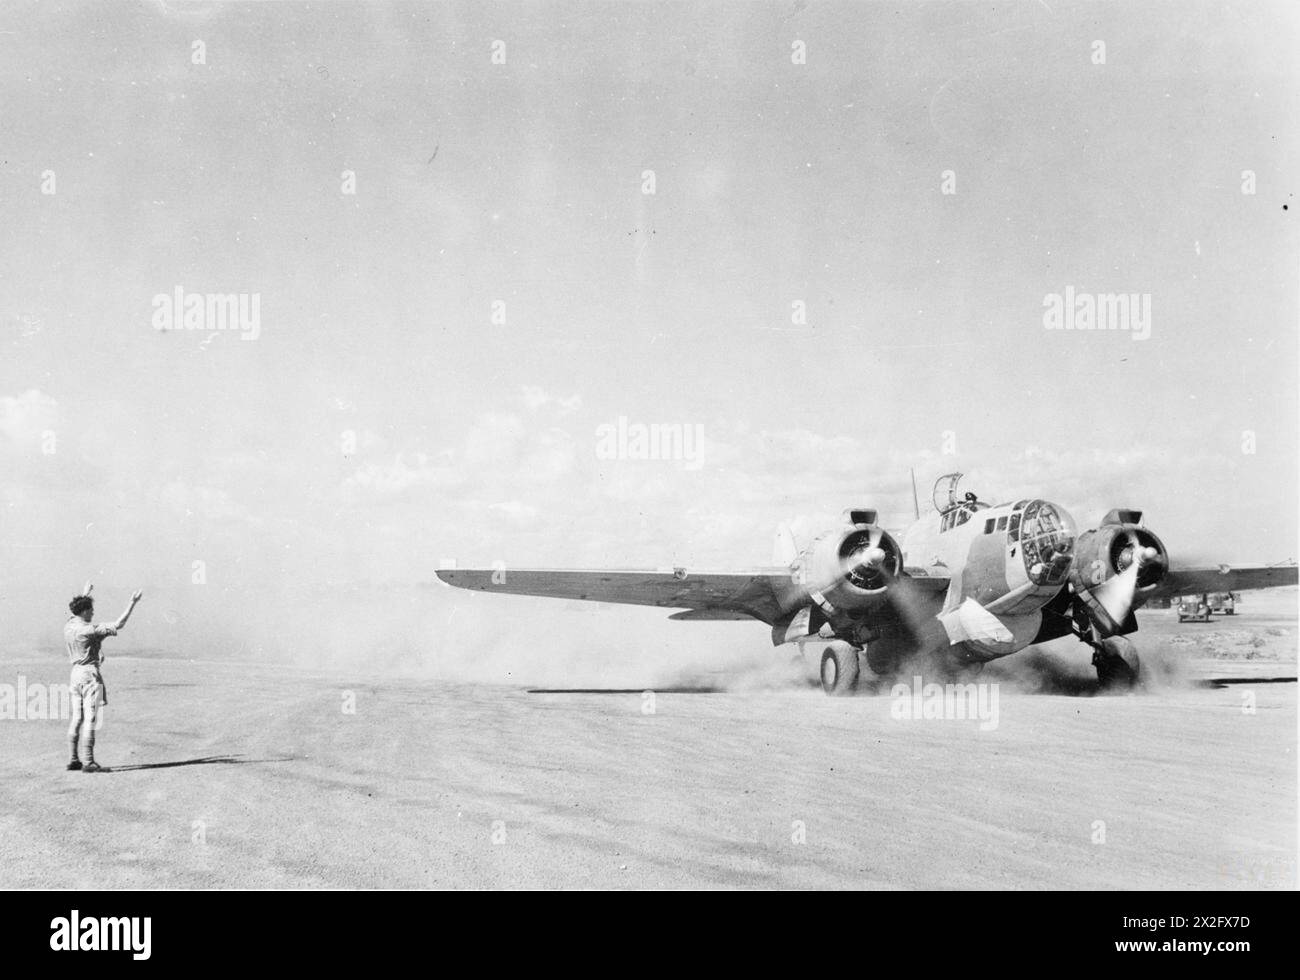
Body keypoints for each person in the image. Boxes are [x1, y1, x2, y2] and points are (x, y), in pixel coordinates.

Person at [64, 582, 142, 773]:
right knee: (90, 719)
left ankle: (73, 759)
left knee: (77, 719)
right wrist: (132, 603)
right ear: (84, 612)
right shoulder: (90, 630)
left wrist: (85, 593)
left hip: (75, 674)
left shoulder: (70, 626)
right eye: (90, 610)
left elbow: (74, 614)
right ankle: (89, 761)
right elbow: (118, 624)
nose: (92, 613)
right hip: (89, 674)